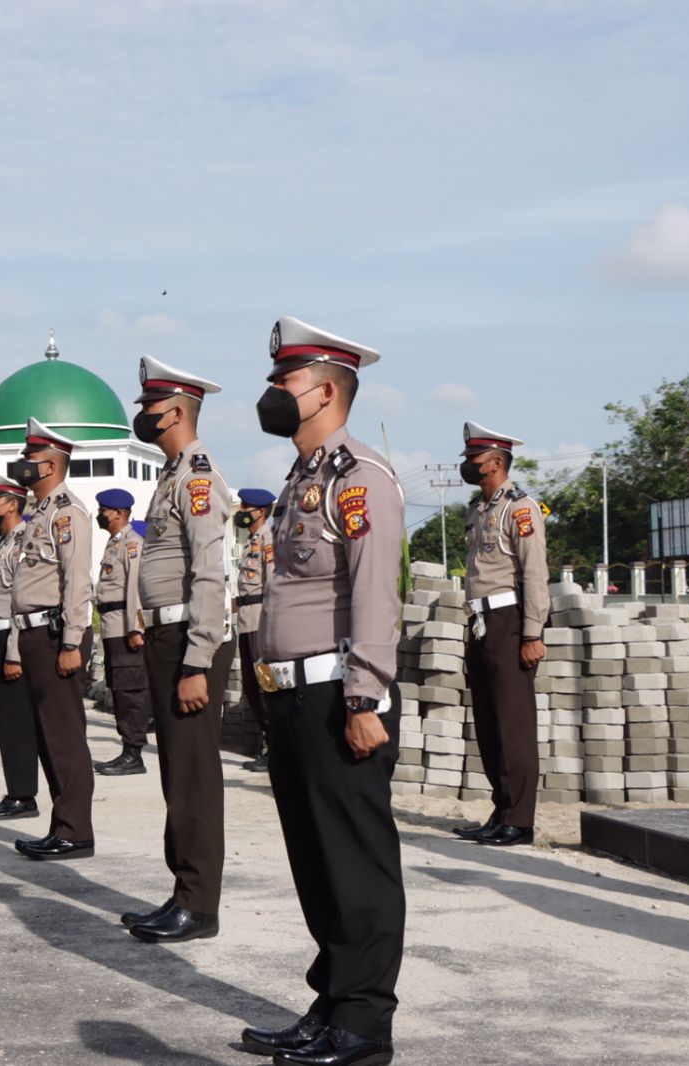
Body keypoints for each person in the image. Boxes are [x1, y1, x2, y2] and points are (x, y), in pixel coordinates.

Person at [239, 317, 405, 1066]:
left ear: (327, 390)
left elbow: (376, 594)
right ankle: (332, 1002)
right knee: (315, 862)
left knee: (356, 864)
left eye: (286, 381)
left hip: (340, 697)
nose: (273, 393)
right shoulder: (302, 480)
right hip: (292, 698)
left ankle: (365, 1025)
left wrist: (366, 697)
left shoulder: (359, 476)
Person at [120, 356, 238, 945]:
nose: (141, 414)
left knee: (192, 773)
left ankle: (199, 903)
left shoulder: (196, 476)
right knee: (177, 773)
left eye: (148, 406)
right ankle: (182, 892)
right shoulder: (170, 475)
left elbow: (211, 574)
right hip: (167, 635)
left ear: (175, 411)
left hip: (189, 640)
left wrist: (197, 659)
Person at [4, 418, 96, 861]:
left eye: (29, 459)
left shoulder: (67, 514)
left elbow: (76, 582)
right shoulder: (38, 515)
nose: (23, 465)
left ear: (51, 466)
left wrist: (72, 642)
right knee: (46, 735)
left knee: (64, 735)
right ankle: (62, 825)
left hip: (56, 633)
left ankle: (76, 830)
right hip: (32, 633)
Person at [453, 422, 547, 848]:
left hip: (509, 622)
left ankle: (520, 820)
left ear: (495, 462)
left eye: (474, 461)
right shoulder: (478, 508)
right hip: (479, 621)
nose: (468, 467)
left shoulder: (521, 509)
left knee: (513, 724)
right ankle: (501, 809)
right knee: (489, 723)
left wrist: (533, 633)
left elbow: (534, 575)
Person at [0, 474, 42, 820]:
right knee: (7, 721)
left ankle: (23, 795)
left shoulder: (22, 542)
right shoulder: (5, 542)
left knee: (16, 722)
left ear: (13, 503)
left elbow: (21, 603)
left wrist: (14, 653)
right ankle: (16, 790)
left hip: (9, 638)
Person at [92, 488, 149, 776]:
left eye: (103, 510)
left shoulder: (131, 544)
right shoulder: (114, 544)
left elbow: (135, 589)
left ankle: (133, 752)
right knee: (119, 687)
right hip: (112, 626)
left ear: (118, 512)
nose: (100, 515)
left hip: (126, 629)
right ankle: (127, 748)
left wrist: (136, 628)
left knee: (131, 691)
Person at [234, 488, 277, 772]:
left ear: (261, 512)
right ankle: (267, 743)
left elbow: (272, 585)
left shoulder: (268, 541)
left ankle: (275, 747)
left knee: (265, 685)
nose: (242, 512)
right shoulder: (250, 541)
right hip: (246, 620)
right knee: (251, 685)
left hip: (260, 621)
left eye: (247, 507)